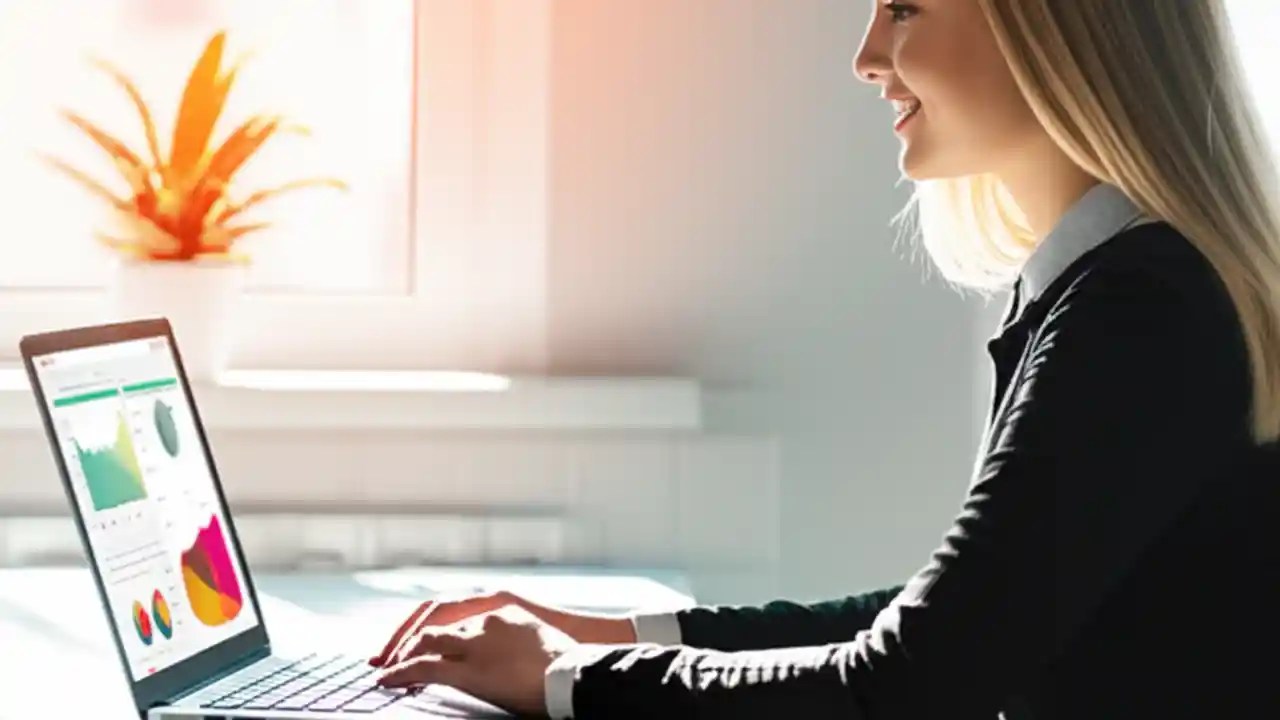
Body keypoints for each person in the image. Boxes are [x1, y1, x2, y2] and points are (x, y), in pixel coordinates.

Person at [367, 1, 1280, 717]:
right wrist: (599, 635)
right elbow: (957, 621)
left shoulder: (1140, 307)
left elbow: (910, 683)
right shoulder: (1123, 283)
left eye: (904, 8)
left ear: (1046, 28)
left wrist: (574, 681)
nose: (867, 56)